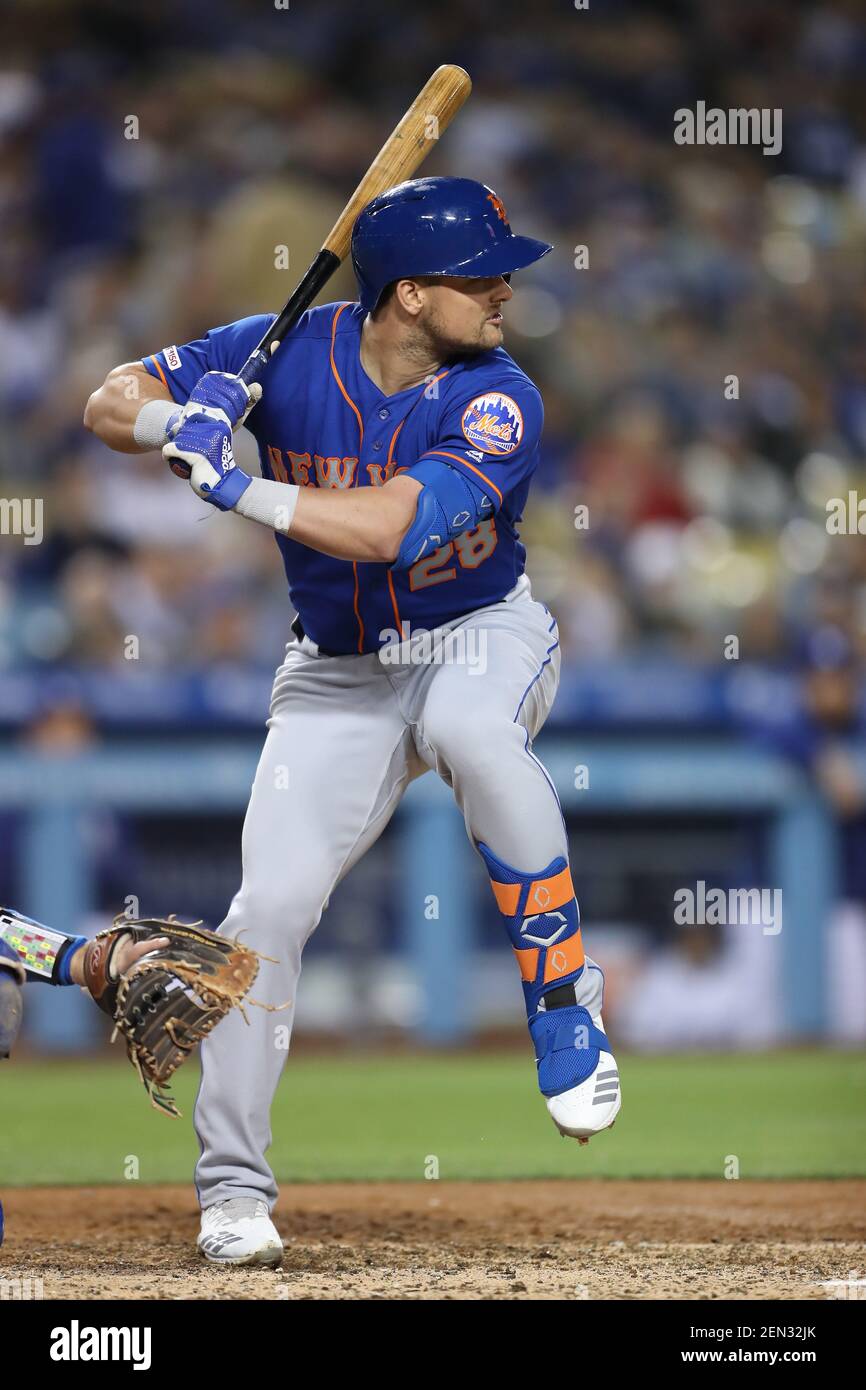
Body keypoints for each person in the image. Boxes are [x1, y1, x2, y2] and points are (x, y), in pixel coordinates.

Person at [84, 177, 621, 1269]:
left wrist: (232, 484)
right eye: (482, 274)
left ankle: (561, 989)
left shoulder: (499, 393)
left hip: (477, 635)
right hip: (335, 673)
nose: (504, 289)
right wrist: (169, 416)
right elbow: (104, 400)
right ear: (411, 293)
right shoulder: (275, 350)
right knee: (264, 910)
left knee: (476, 734)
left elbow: (385, 530)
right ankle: (232, 1190)